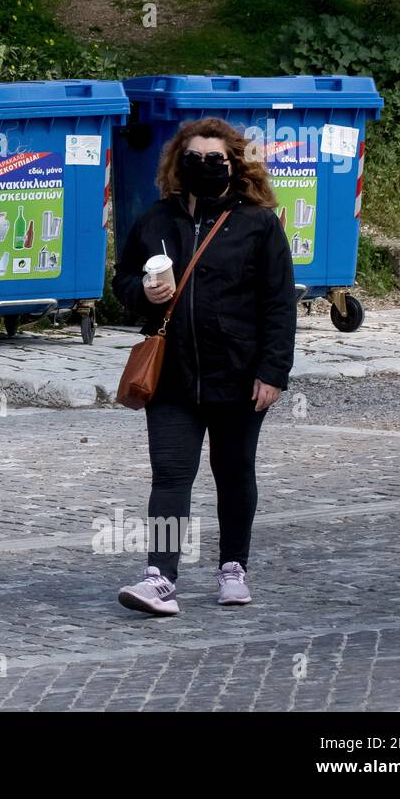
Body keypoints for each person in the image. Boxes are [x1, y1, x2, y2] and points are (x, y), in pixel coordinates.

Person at [111, 117, 296, 616]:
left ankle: (233, 566)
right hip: (173, 374)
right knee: (170, 474)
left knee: (233, 472)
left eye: (216, 159)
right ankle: (159, 577)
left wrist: (273, 372)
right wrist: (142, 293)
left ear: (234, 165)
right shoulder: (156, 219)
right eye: (194, 159)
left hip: (238, 373)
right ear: (178, 163)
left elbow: (279, 304)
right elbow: (123, 280)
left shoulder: (258, 224)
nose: (205, 167)